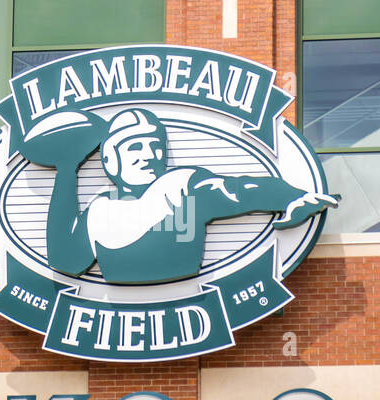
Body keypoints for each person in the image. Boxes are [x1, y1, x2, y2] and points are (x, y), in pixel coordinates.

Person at [41, 108, 338, 284]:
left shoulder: (182, 185)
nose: (149, 155)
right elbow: (66, 260)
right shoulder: (100, 209)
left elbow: (239, 190)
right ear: (110, 159)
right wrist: (66, 170)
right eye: (135, 147)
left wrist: (290, 198)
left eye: (154, 145)